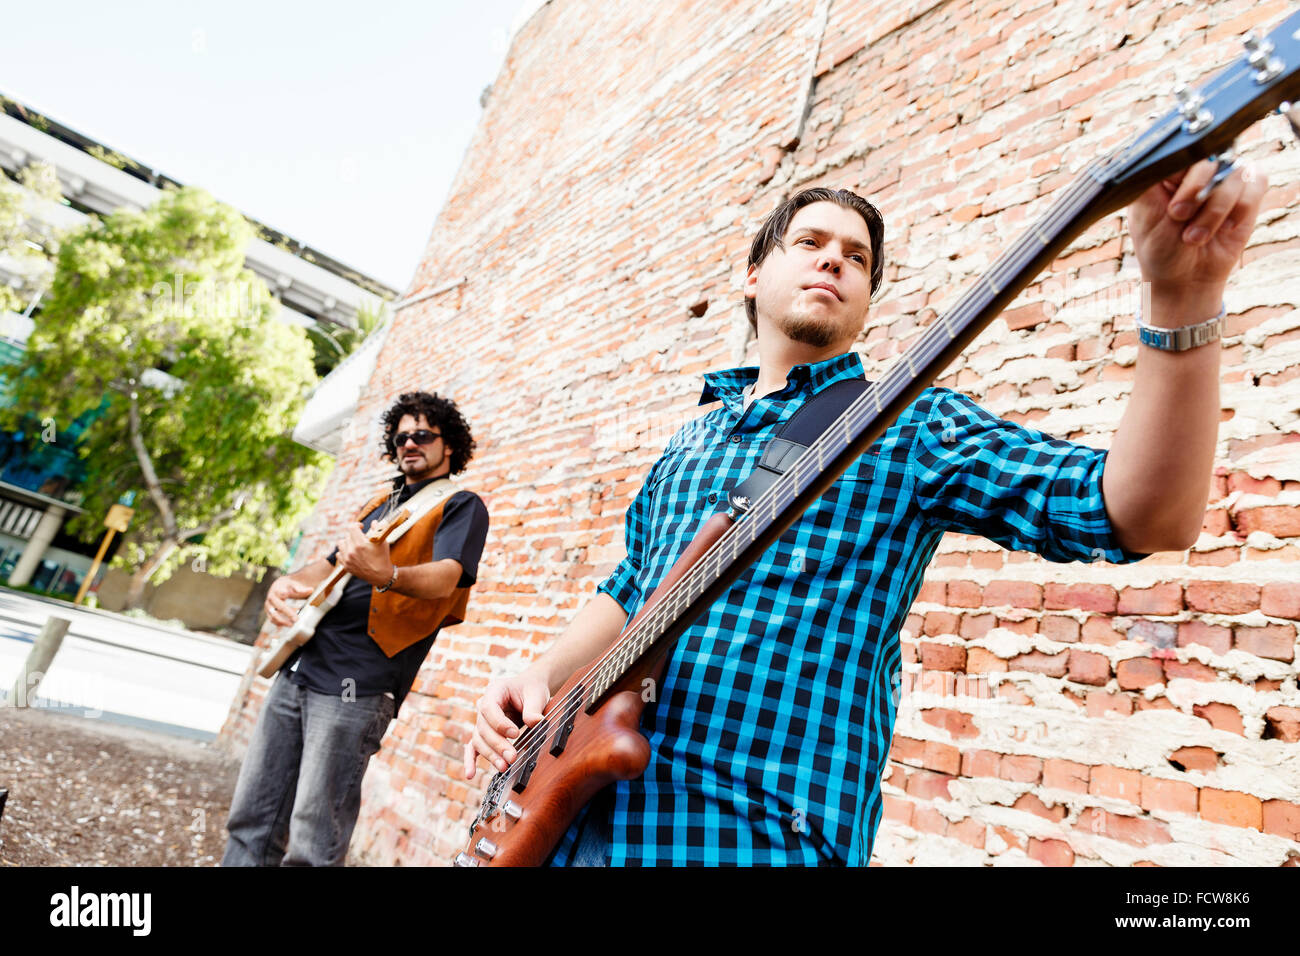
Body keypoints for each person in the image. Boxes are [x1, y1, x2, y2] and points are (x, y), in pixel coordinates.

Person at [466, 162, 1267, 866]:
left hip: (747, 832)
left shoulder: (910, 426)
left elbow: (1139, 513)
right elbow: (631, 588)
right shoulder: (690, 442)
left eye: (857, 258)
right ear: (753, 275)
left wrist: (1183, 295)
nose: (834, 260)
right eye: (811, 242)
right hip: (568, 822)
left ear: (866, 302)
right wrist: (540, 672)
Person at [223, 390, 489, 866]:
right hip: (300, 668)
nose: (410, 442)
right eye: (401, 436)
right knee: (251, 819)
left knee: (314, 837)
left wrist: (386, 574)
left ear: (448, 445)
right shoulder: (380, 502)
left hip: (359, 683)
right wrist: (286, 584)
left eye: (423, 435)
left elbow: (448, 577)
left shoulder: (460, 504)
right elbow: (326, 569)